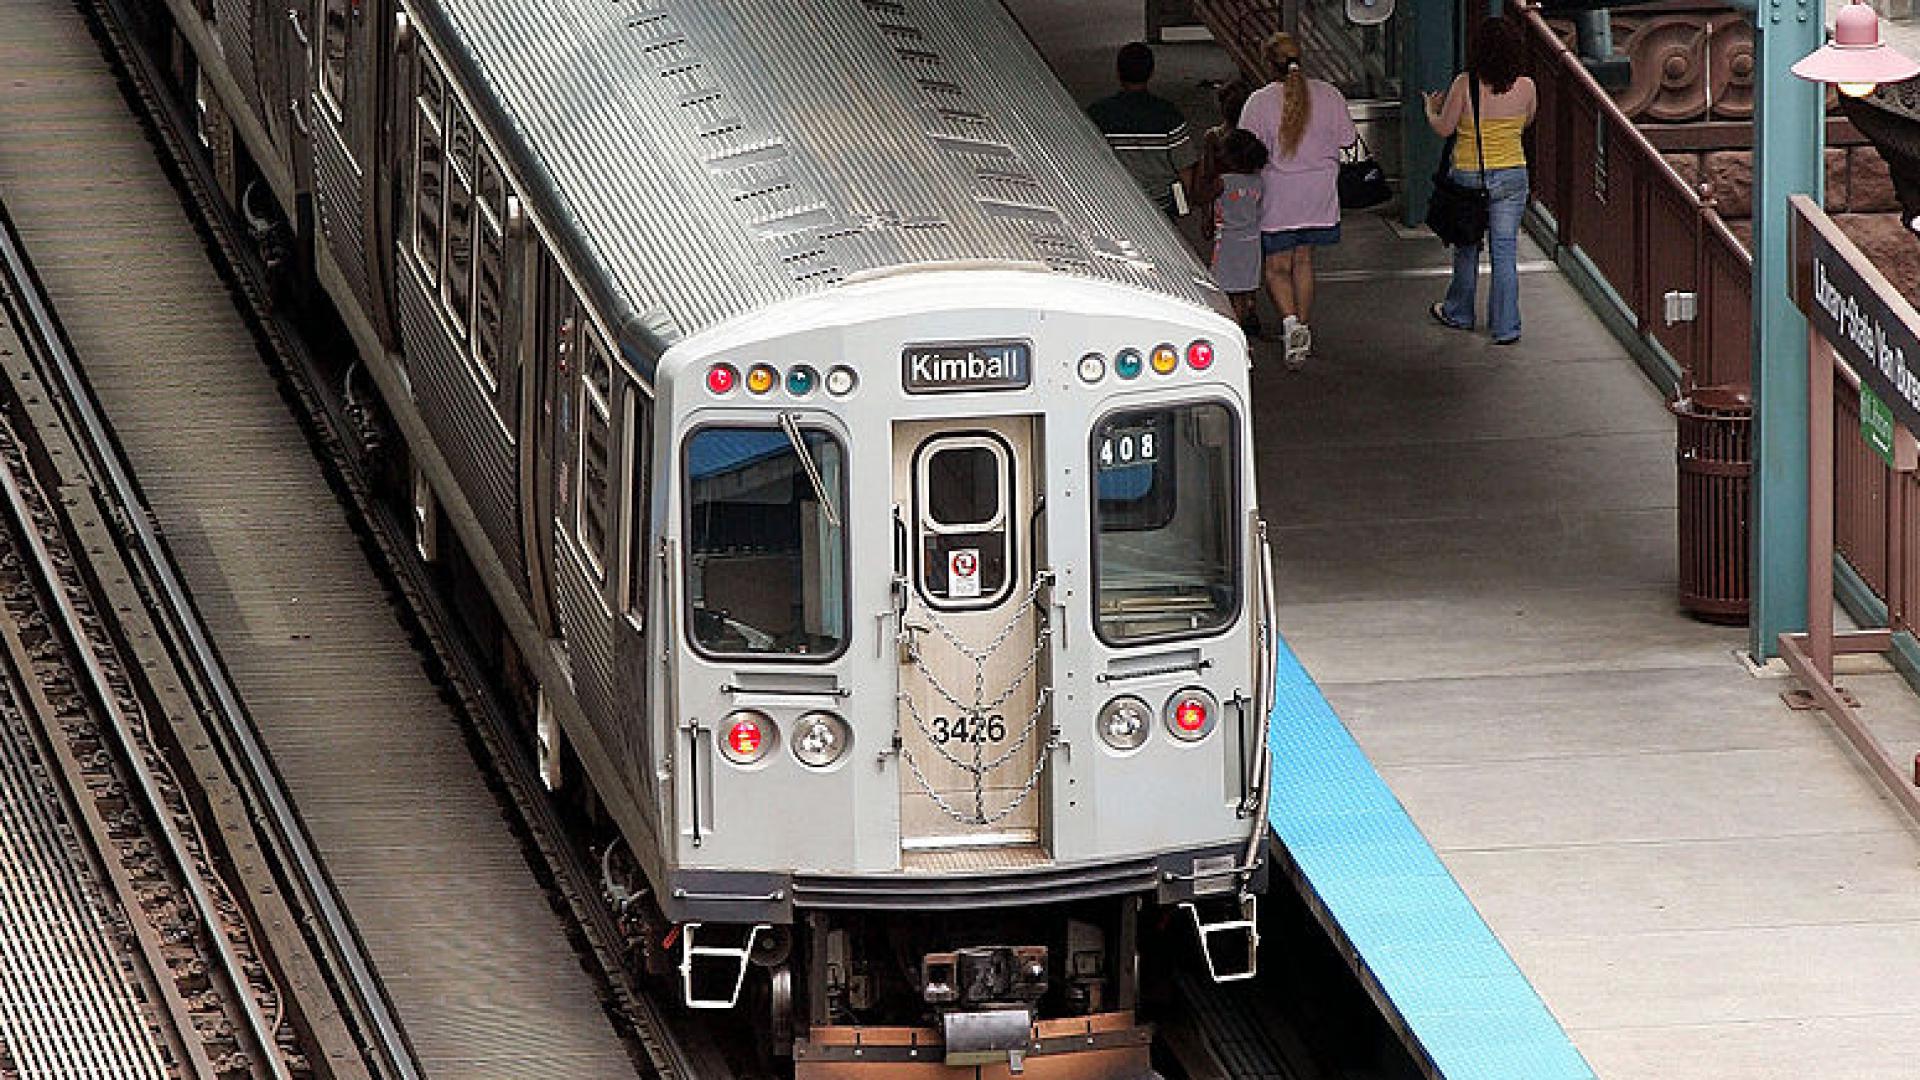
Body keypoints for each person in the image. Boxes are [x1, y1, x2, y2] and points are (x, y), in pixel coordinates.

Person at [1238, 33, 1356, 369]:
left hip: (1278, 192)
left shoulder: (1259, 101)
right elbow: (1348, 139)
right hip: (1319, 193)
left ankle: (1290, 324)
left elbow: (1245, 148)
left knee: (1277, 267)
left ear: (1267, 63)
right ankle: (1302, 328)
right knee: (1303, 261)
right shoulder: (1329, 94)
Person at [1425, 16, 1537, 345]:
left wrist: (1431, 110)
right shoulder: (1527, 86)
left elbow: (1444, 129)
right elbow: (1526, 121)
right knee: (1504, 251)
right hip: (1514, 174)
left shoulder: (1465, 84)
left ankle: (1459, 312)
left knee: (1467, 246)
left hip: (1470, 175)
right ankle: (1506, 327)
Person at [1087, 42, 1199, 217]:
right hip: (1162, 206)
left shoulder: (1098, 114)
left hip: (1114, 205)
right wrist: (1185, 205)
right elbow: (1185, 168)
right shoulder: (1168, 114)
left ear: (1118, 73)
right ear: (1151, 73)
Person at [1211, 129, 1269, 338]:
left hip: (1227, 241)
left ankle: (1231, 333)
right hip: (1252, 240)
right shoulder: (1258, 181)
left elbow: (1204, 198)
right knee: (1245, 287)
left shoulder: (1222, 182)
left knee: (1225, 289)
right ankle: (1246, 319)